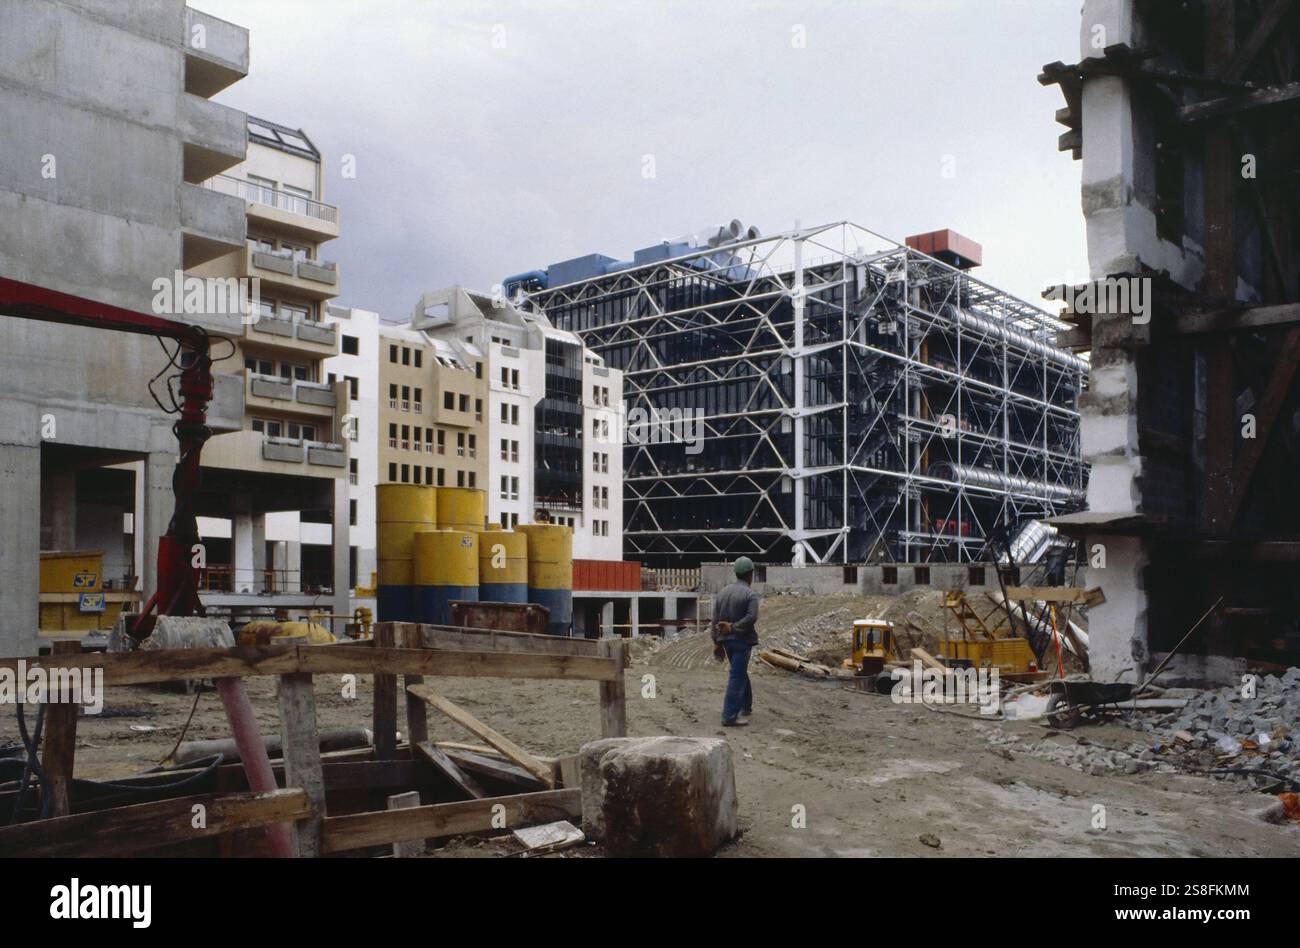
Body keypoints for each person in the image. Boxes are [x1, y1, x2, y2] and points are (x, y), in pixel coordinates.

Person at [711, 556, 760, 727]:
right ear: (750, 574)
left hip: (726, 642)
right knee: (737, 676)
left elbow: (715, 620)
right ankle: (729, 716)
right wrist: (733, 627)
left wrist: (716, 641)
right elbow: (752, 617)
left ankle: (746, 706)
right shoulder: (750, 594)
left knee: (740, 671)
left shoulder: (723, 592)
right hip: (741, 641)